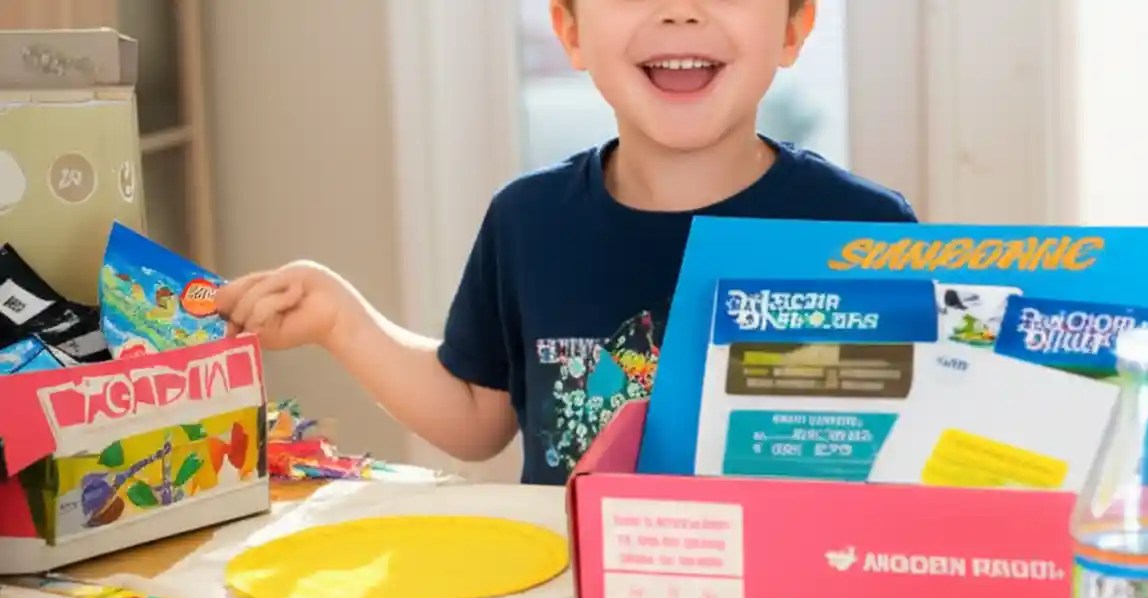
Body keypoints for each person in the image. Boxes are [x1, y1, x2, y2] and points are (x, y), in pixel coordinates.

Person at [215, 0, 918, 487]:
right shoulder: (528, 221)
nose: (679, 9)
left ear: (795, 29)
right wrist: (344, 322)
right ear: (571, 31)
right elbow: (476, 419)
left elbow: (915, 454)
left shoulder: (867, 236)